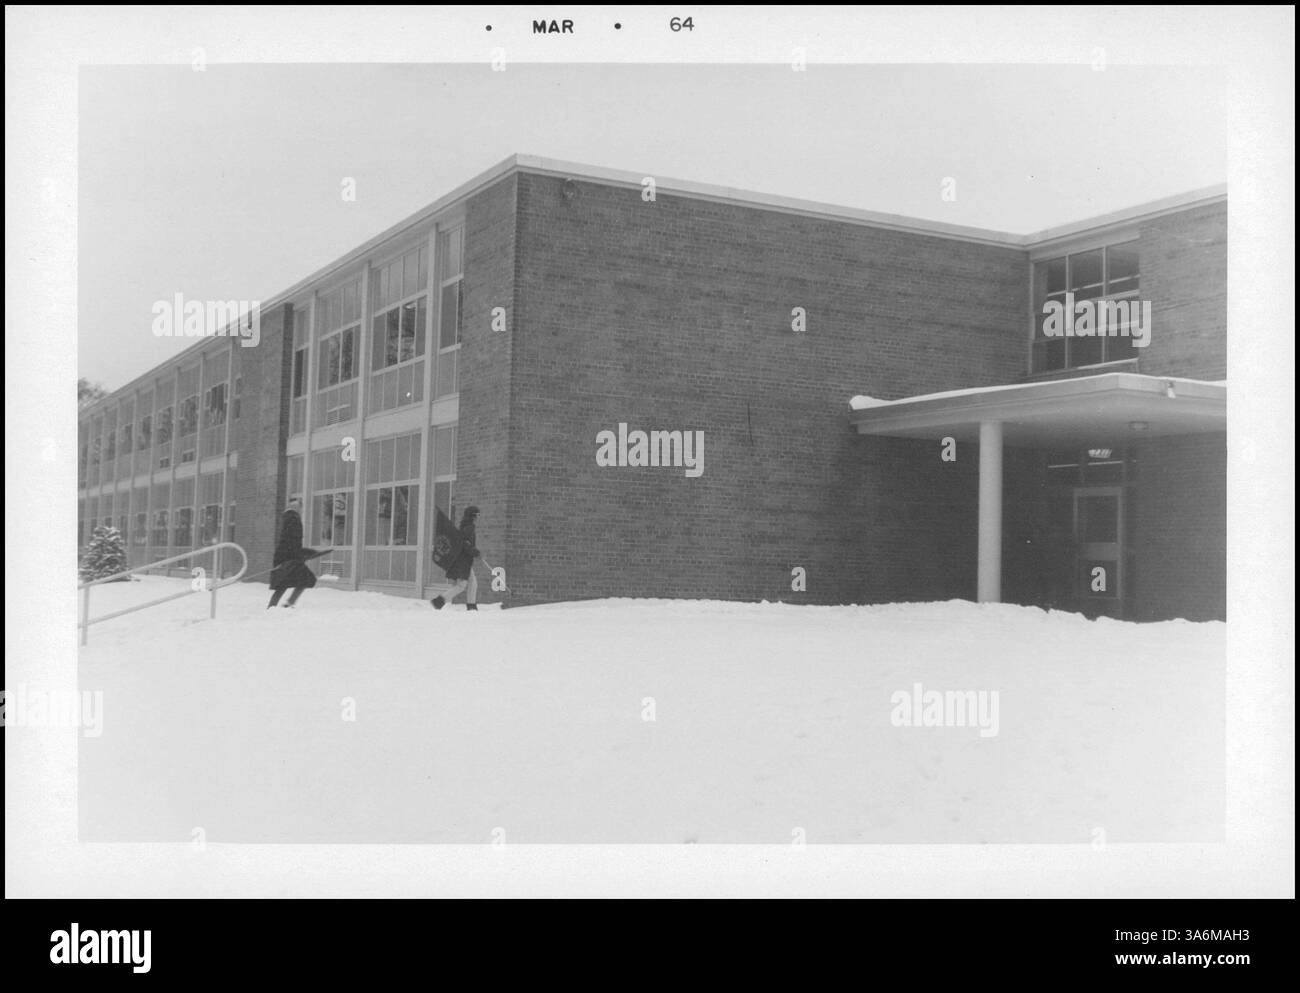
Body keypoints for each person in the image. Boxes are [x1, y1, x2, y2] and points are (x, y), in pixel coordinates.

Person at [268, 497, 317, 608]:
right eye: (301, 508)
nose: (302, 510)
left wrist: (302, 552)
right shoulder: (294, 519)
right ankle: (287, 603)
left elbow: (289, 541)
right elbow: (292, 541)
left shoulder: (288, 518)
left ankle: (273, 607)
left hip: (285, 556)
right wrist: (301, 553)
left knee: (283, 584)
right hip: (289, 558)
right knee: (306, 579)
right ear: (298, 507)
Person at [431, 506, 481, 611]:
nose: (478, 517)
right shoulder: (469, 527)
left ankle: (471, 606)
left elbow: (464, 542)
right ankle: (439, 601)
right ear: (473, 516)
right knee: (461, 585)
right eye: (477, 515)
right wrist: (475, 552)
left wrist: (473, 551)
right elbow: (464, 544)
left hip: (462, 560)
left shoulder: (465, 526)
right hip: (463, 561)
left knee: (472, 583)